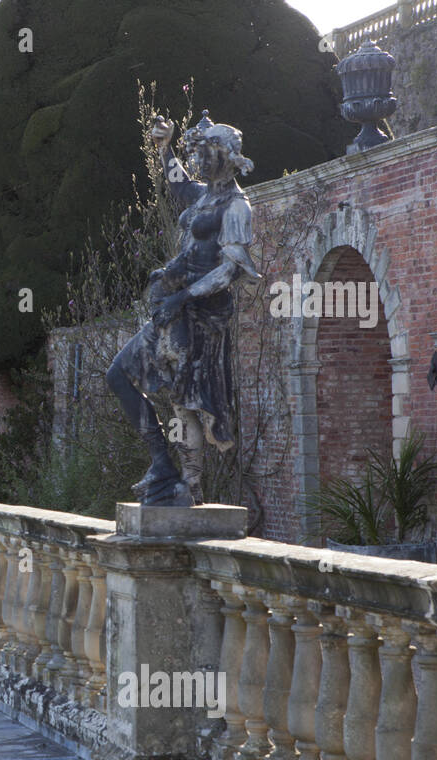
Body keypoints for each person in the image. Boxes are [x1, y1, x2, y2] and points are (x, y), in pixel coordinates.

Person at [106, 110, 261, 506]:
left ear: (225, 155)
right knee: (119, 375)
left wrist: (183, 296)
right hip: (172, 308)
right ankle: (161, 461)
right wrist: (165, 148)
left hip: (201, 316)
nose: (199, 160)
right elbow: (179, 186)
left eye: (206, 153)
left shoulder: (237, 207)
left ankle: (189, 484)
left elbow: (230, 271)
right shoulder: (204, 196)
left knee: (186, 401)